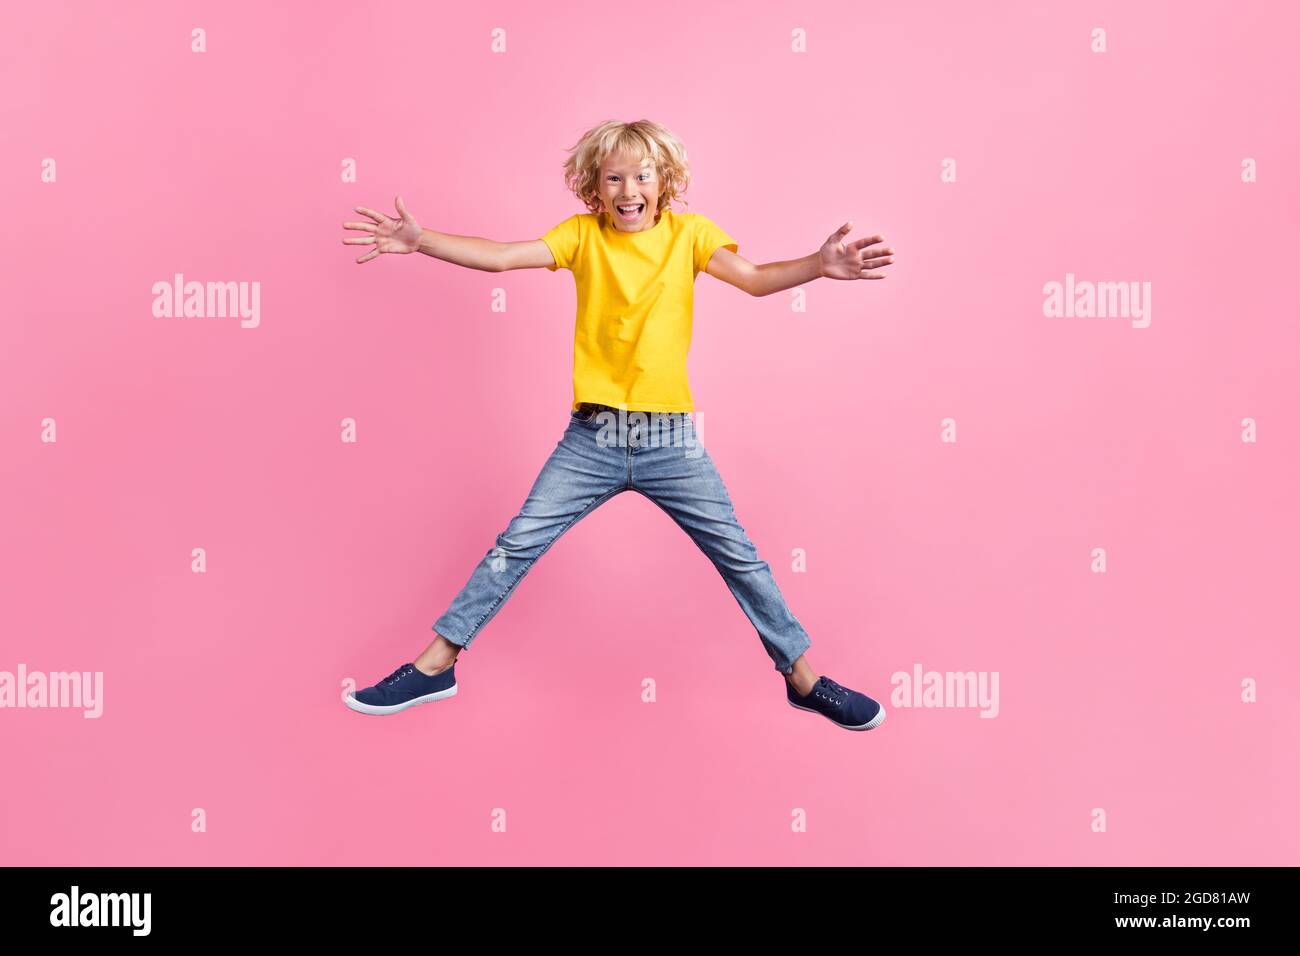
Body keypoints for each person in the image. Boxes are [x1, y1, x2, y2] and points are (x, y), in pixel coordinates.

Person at [339, 119, 896, 730]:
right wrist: (423, 241)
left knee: (739, 555)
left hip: (670, 440)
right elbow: (501, 258)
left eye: (642, 175)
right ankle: (435, 664)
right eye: (613, 178)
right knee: (516, 545)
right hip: (592, 439)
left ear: (665, 183)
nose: (629, 188)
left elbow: (758, 280)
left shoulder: (691, 236)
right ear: (594, 190)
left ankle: (804, 679)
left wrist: (819, 264)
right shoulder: (582, 238)